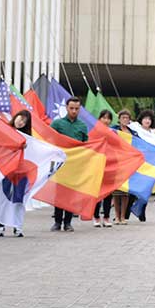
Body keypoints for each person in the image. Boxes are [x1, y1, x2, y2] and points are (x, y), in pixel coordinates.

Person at [50, 97, 89, 232]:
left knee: (71, 194)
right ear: (66, 108)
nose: (74, 111)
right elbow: (50, 141)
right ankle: (57, 221)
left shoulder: (82, 126)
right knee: (59, 193)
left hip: (75, 165)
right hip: (61, 164)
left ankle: (68, 222)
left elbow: (85, 145)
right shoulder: (57, 124)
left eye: (76, 109)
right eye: (71, 108)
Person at [0, 110, 32, 238]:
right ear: (15, 117)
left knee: (19, 199)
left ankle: (18, 226)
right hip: (6, 169)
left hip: (21, 172)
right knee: (3, 197)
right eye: (20, 118)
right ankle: (1, 224)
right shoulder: (5, 131)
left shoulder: (28, 138)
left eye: (24, 121)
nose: (20, 122)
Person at [109, 110, 132, 222]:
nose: (125, 119)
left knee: (125, 192)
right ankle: (117, 216)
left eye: (127, 118)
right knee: (116, 192)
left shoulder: (132, 133)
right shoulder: (114, 130)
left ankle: (123, 216)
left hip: (128, 164)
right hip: (116, 162)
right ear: (119, 119)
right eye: (123, 117)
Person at [93, 111, 115, 227]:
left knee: (108, 193)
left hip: (110, 166)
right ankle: (96, 217)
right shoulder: (94, 131)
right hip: (97, 166)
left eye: (108, 118)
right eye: (103, 118)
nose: (106, 120)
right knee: (97, 193)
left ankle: (106, 217)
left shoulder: (113, 133)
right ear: (99, 118)